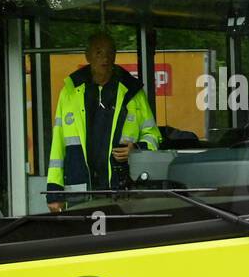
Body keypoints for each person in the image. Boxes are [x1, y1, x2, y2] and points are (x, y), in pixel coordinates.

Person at [46, 31, 162, 212]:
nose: (105, 58)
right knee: (83, 238)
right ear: (88, 56)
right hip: (81, 189)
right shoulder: (70, 92)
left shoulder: (132, 91)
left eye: (110, 52)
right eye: (99, 52)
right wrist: (54, 192)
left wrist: (137, 149)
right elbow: (58, 145)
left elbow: (153, 135)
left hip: (123, 189)